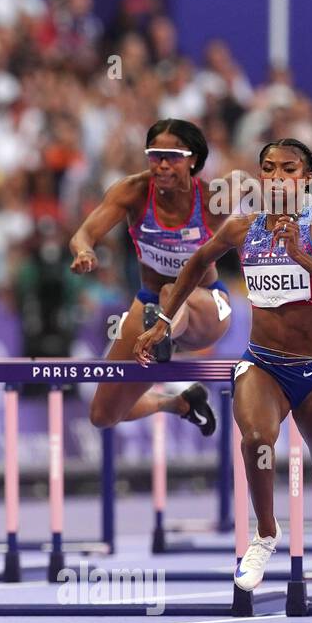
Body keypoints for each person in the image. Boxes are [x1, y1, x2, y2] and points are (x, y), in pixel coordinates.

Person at [135, 138, 312, 606]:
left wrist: (304, 258)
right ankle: (265, 533)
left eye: (288, 168)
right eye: (268, 168)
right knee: (255, 439)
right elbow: (196, 263)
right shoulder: (244, 226)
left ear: (307, 178)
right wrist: (165, 319)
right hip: (262, 363)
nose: (276, 176)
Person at [69, 119, 232, 436]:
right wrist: (84, 251)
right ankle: (180, 403)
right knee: (103, 414)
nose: (163, 165)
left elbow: (258, 201)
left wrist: (244, 182)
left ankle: (165, 330)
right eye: (155, 155)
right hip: (149, 306)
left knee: (173, 290)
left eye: (173, 156)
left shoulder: (213, 199)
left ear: (193, 159)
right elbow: (84, 233)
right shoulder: (132, 191)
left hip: (207, 304)